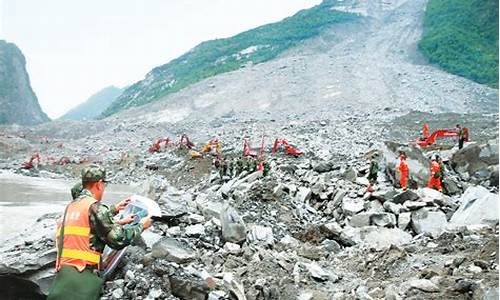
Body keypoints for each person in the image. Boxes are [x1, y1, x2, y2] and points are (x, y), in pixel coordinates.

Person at [47, 164, 152, 300]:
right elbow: (118, 239)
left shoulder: (71, 207)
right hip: (82, 277)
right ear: (99, 184)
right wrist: (142, 226)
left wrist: (114, 210)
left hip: (65, 275)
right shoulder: (95, 207)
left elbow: (88, 227)